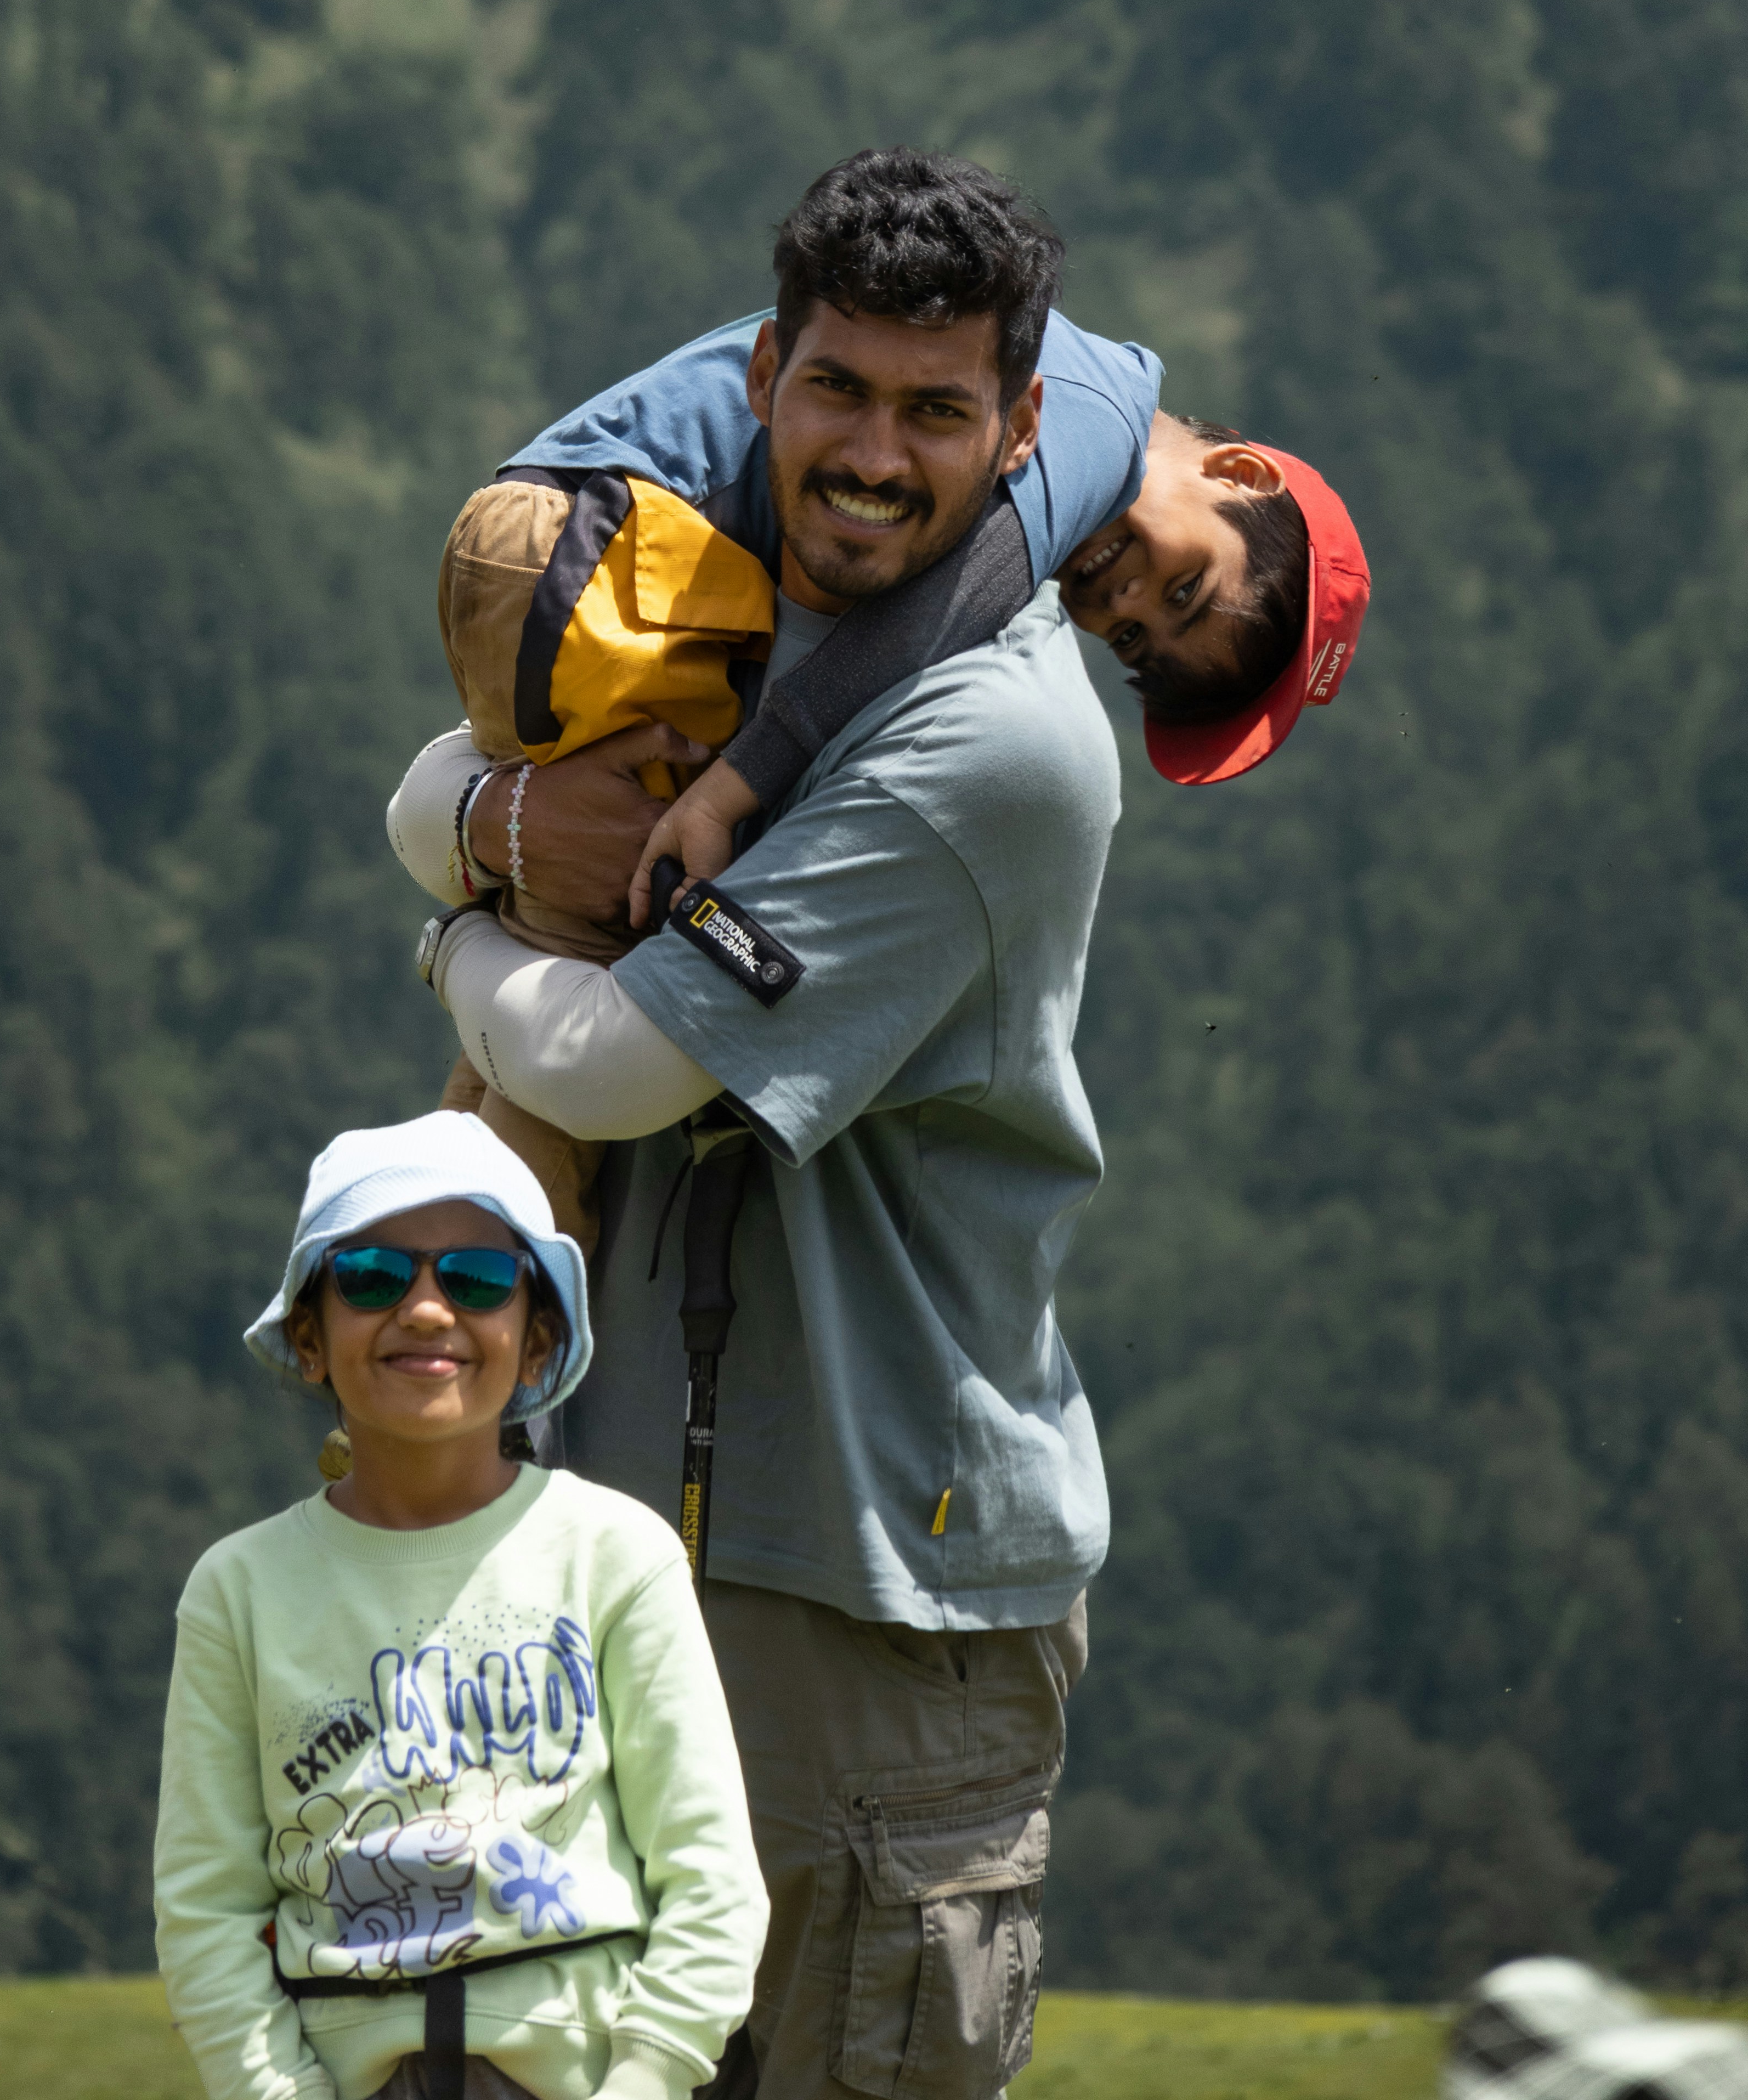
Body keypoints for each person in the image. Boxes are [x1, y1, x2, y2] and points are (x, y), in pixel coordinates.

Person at [388, 152, 1367, 2100]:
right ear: (767, 378)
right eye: (839, 394)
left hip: (858, 1625)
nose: (872, 455)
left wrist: (454, 927)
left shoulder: (988, 744)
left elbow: (615, 1064)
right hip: (619, 1558)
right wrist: (502, 840)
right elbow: (452, 782)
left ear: (1019, 432)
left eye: (937, 414)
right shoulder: (764, 628)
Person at [403, 148, 1367, 1240]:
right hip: (576, 548)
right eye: (1185, 587)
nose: (1121, 603)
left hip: (541, 546)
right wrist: (713, 790)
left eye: (1134, 643)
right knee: (566, 969)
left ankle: (476, 1344)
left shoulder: (989, 722)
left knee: (548, 1010)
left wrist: (479, 860)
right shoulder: (1081, 428)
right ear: (1236, 474)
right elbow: (947, 601)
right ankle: (483, 1342)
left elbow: (452, 817)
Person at [154, 1109, 768, 2100]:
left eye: (478, 1280)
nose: (428, 1310)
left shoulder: (617, 1557)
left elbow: (711, 1878)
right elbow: (206, 1911)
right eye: (371, 1277)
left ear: (537, 1344)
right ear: (311, 1339)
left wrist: (648, 2080)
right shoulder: (240, 1591)